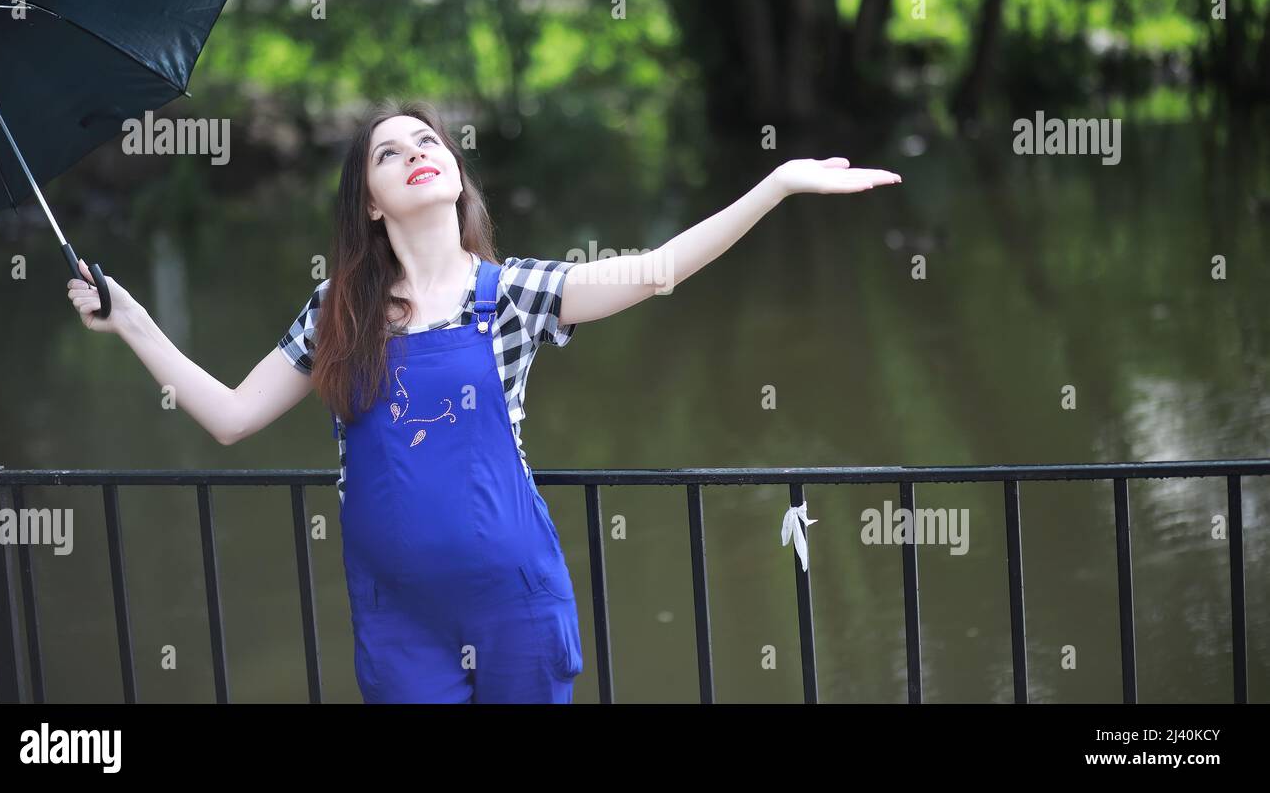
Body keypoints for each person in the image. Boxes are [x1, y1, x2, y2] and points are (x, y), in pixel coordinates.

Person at [66, 98, 901, 703]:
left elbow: (659, 270)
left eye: (427, 141)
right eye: (388, 154)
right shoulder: (337, 314)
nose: (415, 153)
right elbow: (230, 417)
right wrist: (134, 322)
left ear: (456, 171)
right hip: (398, 619)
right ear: (369, 200)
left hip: (515, 606)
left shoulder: (511, 293)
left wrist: (777, 186)